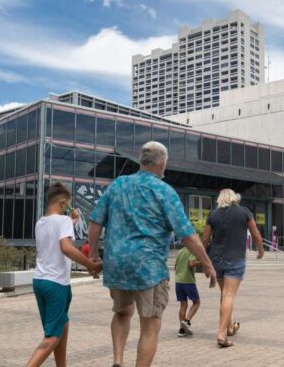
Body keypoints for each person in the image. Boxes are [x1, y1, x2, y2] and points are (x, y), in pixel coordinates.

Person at [88, 141, 217, 367]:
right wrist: (207, 263)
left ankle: (118, 361)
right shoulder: (164, 191)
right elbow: (187, 234)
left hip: (117, 263)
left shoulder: (118, 184)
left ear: (141, 160)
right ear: (163, 163)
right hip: (148, 268)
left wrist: (93, 257)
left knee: (121, 313)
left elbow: (95, 221)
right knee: (150, 324)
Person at [26, 182, 103, 367]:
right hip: (56, 284)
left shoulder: (41, 222)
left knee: (62, 326)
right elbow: (66, 247)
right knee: (52, 336)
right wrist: (90, 265)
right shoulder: (63, 221)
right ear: (62, 203)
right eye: (68, 203)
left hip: (40, 281)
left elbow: (55, 236)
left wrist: (72, 221)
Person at [201, 189, 264, 348]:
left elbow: (204, 239)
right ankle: (221, 334)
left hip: (216, 260)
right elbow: (255, 233)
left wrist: (203, 260)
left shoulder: (213, 214)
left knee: (224, 294)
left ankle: (229, 327)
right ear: (234, 198)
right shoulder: (244, 212)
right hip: (235, 258)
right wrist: (261, 250)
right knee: (229, 295)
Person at [174, 246, 201, 337]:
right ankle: (187, 321)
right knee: (196, 302)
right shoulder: (192, 249)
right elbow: (191, 264)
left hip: (178, 281)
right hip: (188, 281)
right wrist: (202, 262)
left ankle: (182, 330)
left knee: (183, 305)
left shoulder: (180, 251)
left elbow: (175, 266)